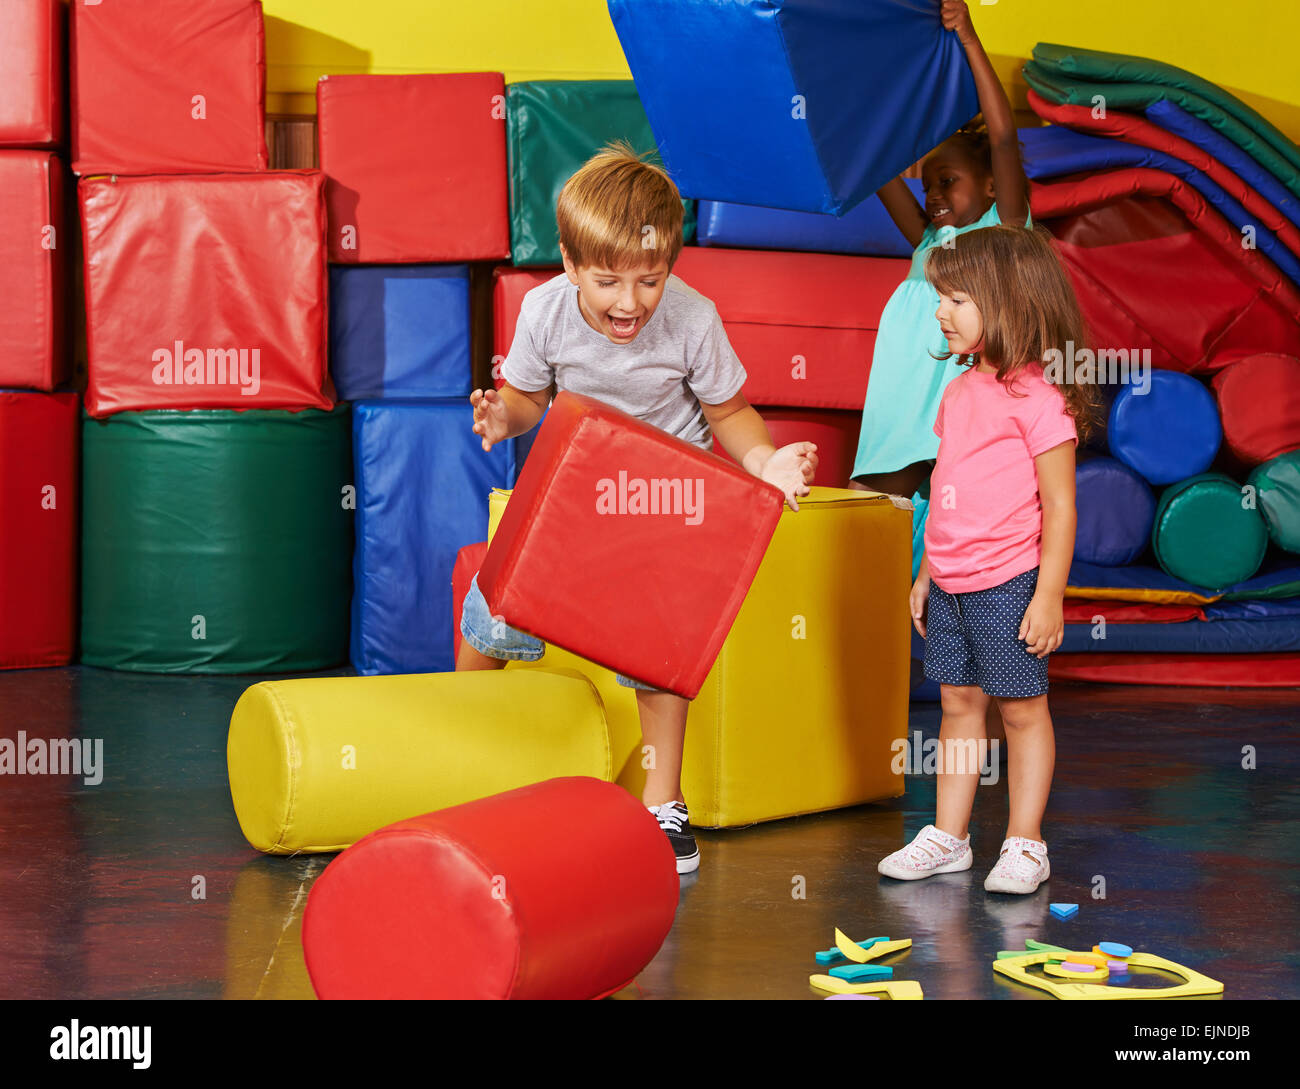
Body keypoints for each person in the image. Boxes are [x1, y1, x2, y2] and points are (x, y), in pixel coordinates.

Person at [459, 142, 818, 875]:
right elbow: (529, 399)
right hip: (572, 489)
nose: (629, 303)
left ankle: (663, 801)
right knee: (490, 612)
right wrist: (504, 417)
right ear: (567, 261)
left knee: (658, 654)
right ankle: (461, 744)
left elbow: (731, 411)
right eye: (608, 281)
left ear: (671, 266)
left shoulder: (691, 318)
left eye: (649, 280)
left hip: (663, 500)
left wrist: (764, 460)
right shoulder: (544, 312)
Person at [878, 225, 1100, 894]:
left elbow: (1060, 508)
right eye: (940, 297)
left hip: (1009, 582)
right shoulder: (958, 392)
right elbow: (944, 491)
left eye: (956, 298)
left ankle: (1026, 841)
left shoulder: (1041, 400)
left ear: (1009, 303)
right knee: (956, 701)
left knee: (1022, 708)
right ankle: (949, 835)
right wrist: (924, 574)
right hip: (950, 580)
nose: (941, 311)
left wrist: (1049, 594)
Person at [850, 0, 1031, 502]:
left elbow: (1003, 137)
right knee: (876, 502)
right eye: (928, 186)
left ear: (993, 185)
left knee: (950, 504)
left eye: (947, 182)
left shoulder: (1004, 227)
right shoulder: (929, 241)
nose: (932, 196)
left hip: (958, 392)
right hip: (901, 391)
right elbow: (876, 169)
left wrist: (969, 38)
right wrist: (854, 95)